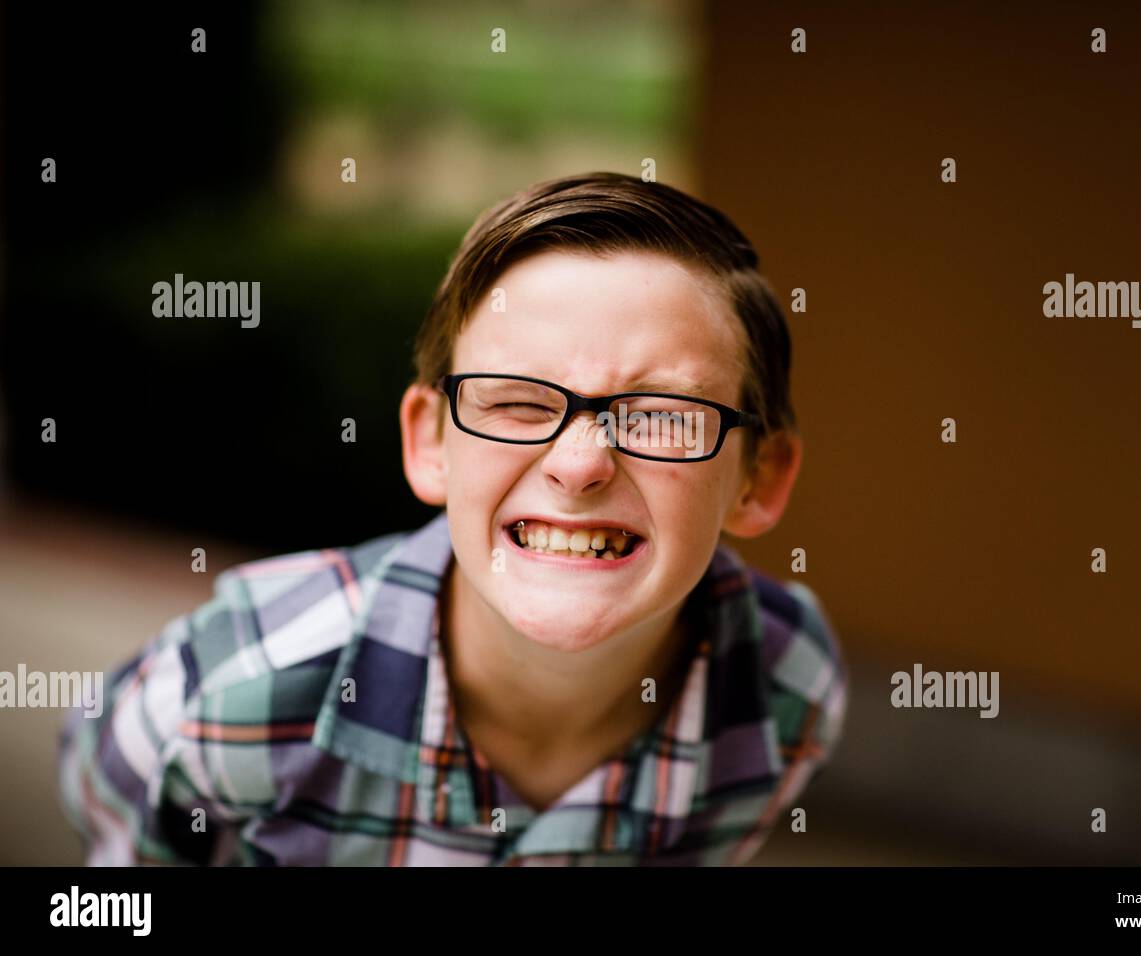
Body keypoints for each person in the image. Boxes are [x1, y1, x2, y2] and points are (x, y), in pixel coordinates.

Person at [57, 171, 848, 865]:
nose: (579, 465)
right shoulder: (224, 693)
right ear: (429, 443)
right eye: (515, 402)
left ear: (759, 479)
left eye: (661, 415)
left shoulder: (784, 691)